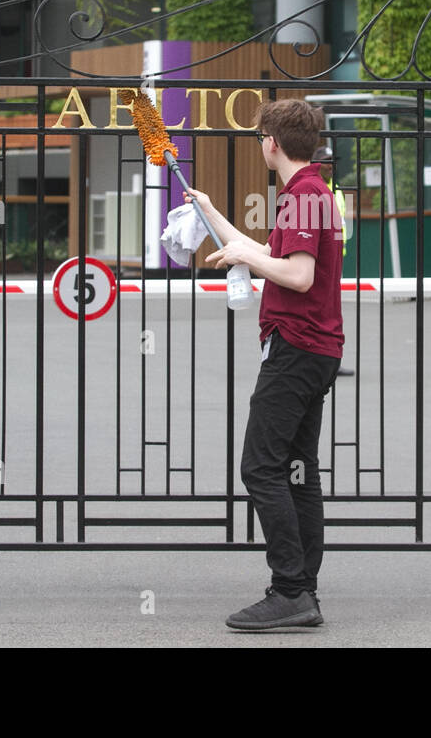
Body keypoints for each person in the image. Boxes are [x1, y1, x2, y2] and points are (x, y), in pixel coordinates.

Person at [183, 98, 343, 630]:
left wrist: (244, 257)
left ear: (272, 143)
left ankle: (291, 590)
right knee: (297, 470)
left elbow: (295, 275)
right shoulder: (312, 192)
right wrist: (210, 211)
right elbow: (274, 257)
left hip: (296, 349)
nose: (260, 146)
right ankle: (303, 592)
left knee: (261, 466)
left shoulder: (303, 196)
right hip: (314, 348)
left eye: (259, 138)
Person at [313, 145, 354, 377]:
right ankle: (319, 359)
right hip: (318, 261)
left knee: (331, 312)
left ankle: (330, 358)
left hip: (336, 260)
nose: (331, 165)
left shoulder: (336, 190)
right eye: (327, 161)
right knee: (319, 311)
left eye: (333, 161)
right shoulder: (313, 189)